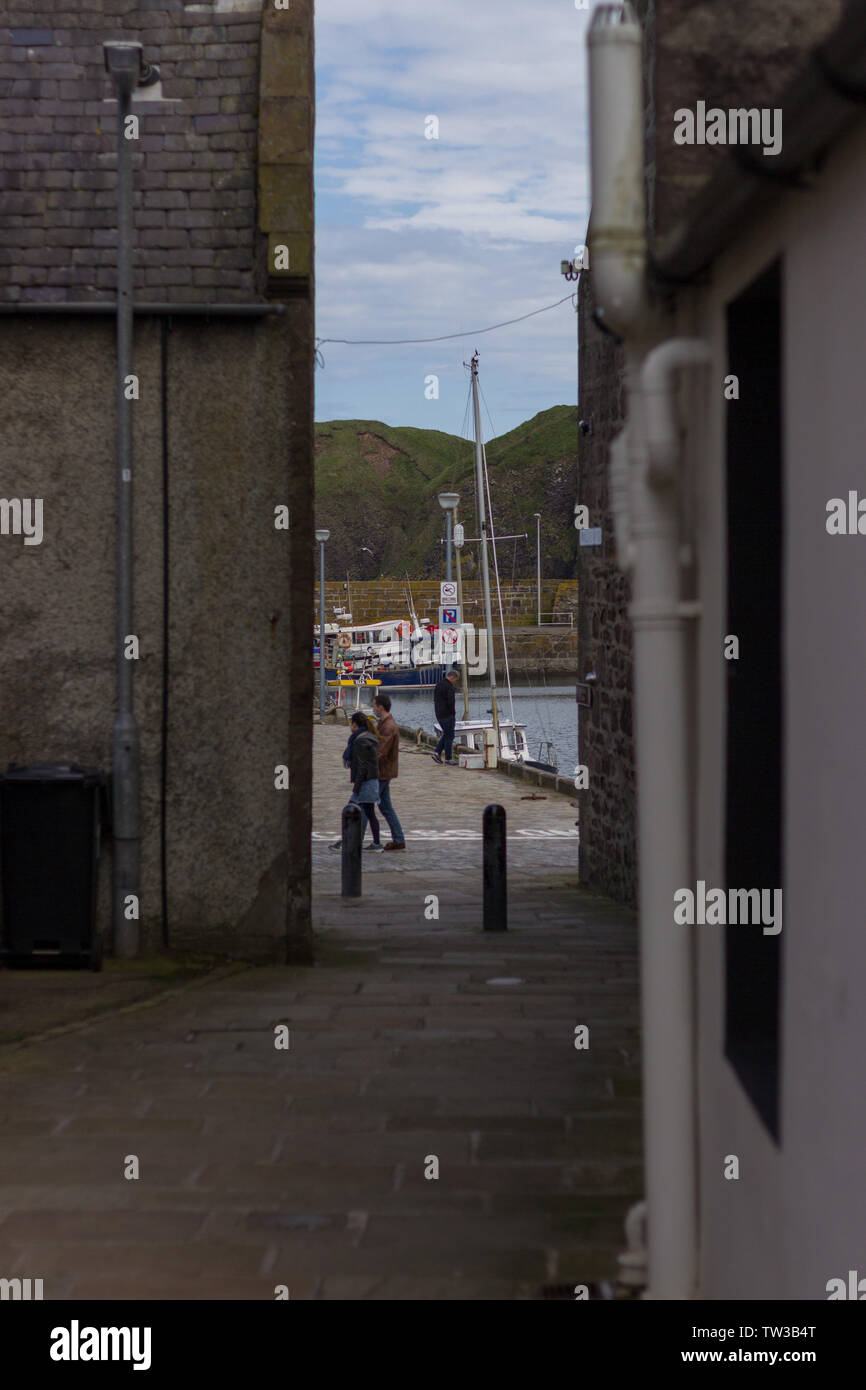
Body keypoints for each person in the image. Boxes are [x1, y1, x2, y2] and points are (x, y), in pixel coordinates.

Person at [329, 710, 383, 851]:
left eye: (351, 723)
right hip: (371, 781)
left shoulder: (360, 741)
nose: (350, 726)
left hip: (365, 783)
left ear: (355, 725)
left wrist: (356, 788)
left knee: (350, 811)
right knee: (370, 814)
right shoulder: (368, 737)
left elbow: (362, 766)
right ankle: (376, 843)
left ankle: (346, 842)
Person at [371, 692, 406, 851]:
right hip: (384, 771)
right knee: (385, 807)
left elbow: (381, 751)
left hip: (383, 771)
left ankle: (352, 837)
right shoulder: (384, 723)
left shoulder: (388, 726)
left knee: (365, 804)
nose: (373, 709)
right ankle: (398, 839)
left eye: (374, 706)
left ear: (381, 707)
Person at [431, 667, 460, 765]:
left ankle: (437, 753)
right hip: (447, 714)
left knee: (447, 734)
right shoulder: (449, 687)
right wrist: (453, 713)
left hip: (439, 713)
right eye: (456, 680)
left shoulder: (439, 685)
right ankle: (448, 757)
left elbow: (435, 700)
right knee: (450, 736)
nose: (455, 682)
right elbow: (451, 702)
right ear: (453, 677)